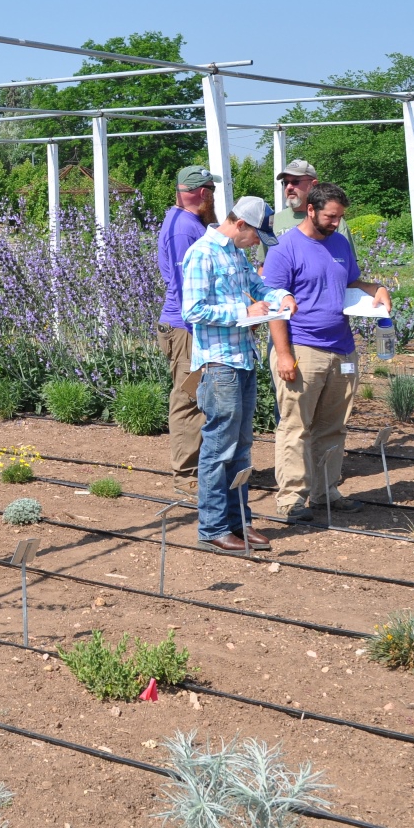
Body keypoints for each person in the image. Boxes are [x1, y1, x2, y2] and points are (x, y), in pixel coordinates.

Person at [263, 181, 392, 521]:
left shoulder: (339, 244)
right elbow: (274, 304)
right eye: (331, 217)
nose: (336, 223)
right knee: (296, 426)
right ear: (311, 210)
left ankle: (325, 492)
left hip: (342, 349)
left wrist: (376, 288)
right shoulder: (284, 248)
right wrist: (284, 354)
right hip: (302, 348)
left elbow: (350, 282)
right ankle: (291, 499)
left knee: (333, 426)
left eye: (340, 217)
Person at [181, 195, 295, 554]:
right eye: (256, 235)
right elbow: (193, 310)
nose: (257, 242)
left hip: (242, 361)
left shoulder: (235, 252)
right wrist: (242, 311)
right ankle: (213, 527)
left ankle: (239, 521)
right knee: (219, 447)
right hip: (220, 364)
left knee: (242, 448)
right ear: (241, 224)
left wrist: (281, 296)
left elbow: (258, 288)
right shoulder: (202, 253)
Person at [156, 166, 218, 487]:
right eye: (212, 191)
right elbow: (184, 287)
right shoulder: (183, 229)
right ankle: (186, 477)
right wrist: (200, 330)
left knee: (199, 398)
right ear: (203, 193)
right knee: (188, 399)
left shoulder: (188, 222)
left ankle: (201, 471)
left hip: (187, 325)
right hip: (186, 327)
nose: (214, 197)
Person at [272, 160, 318, 238]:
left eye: (295, 182)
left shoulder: (331, 219)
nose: (289, 187)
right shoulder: (273, 222)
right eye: (285, 182)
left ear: (313, 185)